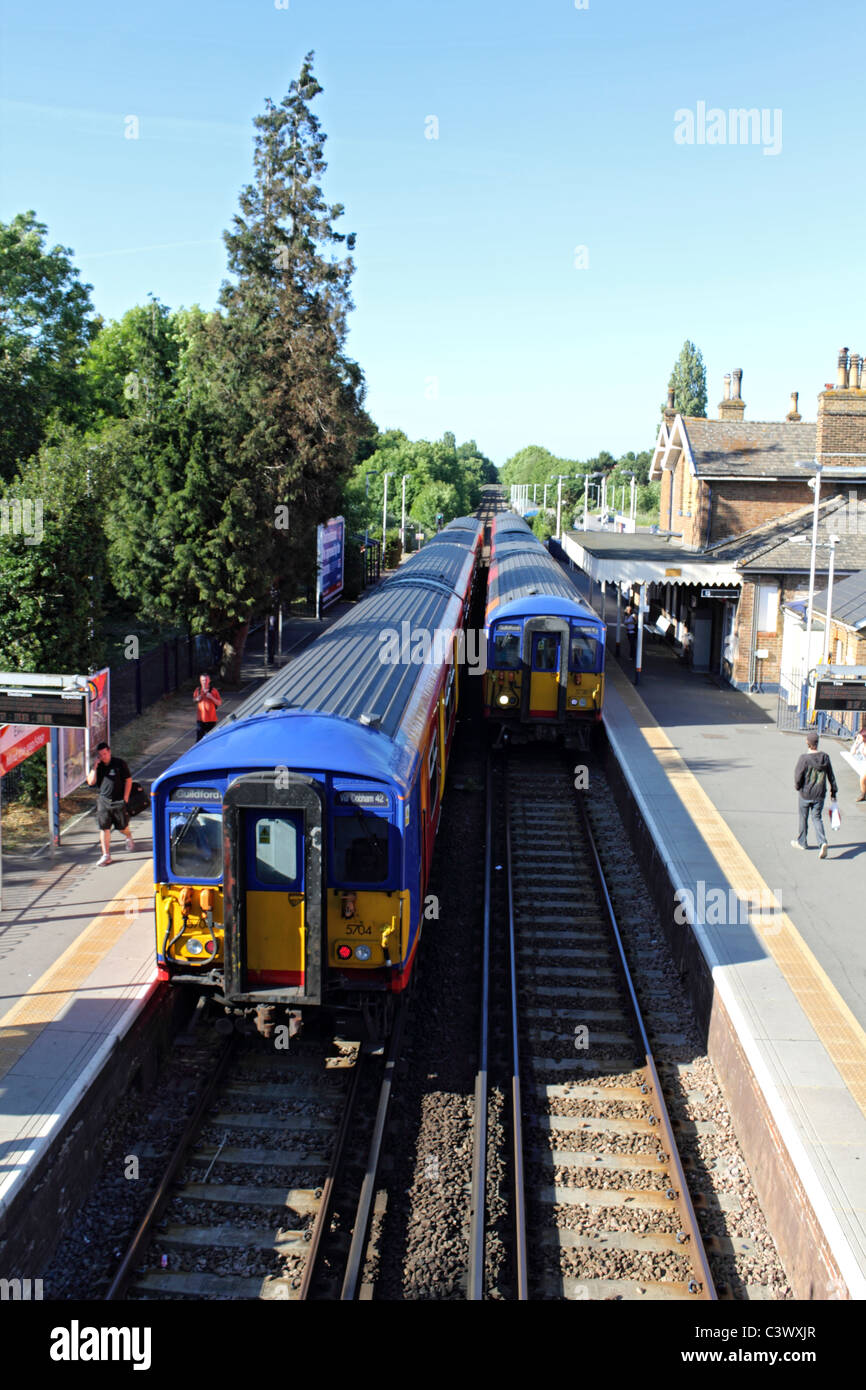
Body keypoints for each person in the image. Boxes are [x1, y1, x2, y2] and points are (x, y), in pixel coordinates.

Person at [86, 741, 134, 866]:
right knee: (104, 828)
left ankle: (128, 836)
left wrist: (126, 797)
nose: (103, 757)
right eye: (100, 755)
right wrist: (95, 767)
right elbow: (90, 782)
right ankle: (106, 855)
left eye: (105, 754)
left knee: (123, 827)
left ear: (109, 752)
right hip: (103, 801)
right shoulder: (98, 766)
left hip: (118, 801)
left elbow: (128, 780)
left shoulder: (119, 763)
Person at [792, 730, 838, 859]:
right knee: (817, 818)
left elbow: (798, 776)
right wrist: (833, 791)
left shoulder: (804, 759)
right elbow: (831, 776)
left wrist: (798, 787)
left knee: (803, 817)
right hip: (819, 794)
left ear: (807, 742)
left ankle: (802, 842)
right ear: (817, 743)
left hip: (805, 794)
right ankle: (822, 842)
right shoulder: (825, 757)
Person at [193, 673, 222, 741]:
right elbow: (194, 700)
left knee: (211, 740)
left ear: (209, 680)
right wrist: (196, 699)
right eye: (203, 680)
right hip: (200, 720)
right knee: (199, 740)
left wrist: (211, 697)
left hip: (211, 720)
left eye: (206, 680)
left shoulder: (214, 691)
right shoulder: (198, 690)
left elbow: (219, 703)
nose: (204, 682)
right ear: (200, 681)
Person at [851, 721, 866, 802]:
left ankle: (863, 794)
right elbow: (852, 753)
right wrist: (856, 743)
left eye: (861, 736)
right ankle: (863, 794)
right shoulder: (861, 744)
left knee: (863, 778)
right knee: (863, 778)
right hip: (864, 764)